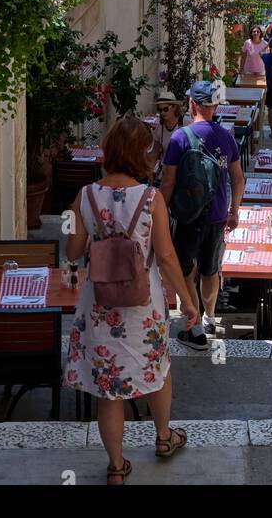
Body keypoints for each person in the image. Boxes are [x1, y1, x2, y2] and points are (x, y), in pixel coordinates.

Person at [64, 116, 200, 484]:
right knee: (157, 370)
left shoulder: (86, 195)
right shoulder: (151, 199)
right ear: (141, 154)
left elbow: (73, 250)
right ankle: (163, 437)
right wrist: (188, 302)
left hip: (100, 304)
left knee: (109, 389)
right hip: (143, 304)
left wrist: (89, 231)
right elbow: (168, 258)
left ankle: (116, 467)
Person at [160, 81, 245, 350]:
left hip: (187, 216)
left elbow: (168, 183)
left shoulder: (180, 138)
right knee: (210, 271)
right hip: (217, 215)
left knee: (185, 269)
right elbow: (238, 179)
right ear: (214, 106)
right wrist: (234, 211)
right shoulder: (226, 136)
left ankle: (194, 328)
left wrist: (159, 213)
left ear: (192, 104)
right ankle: (209, 317)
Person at [149, 91, 186, 181]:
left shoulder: (186, 123)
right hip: (165, 172)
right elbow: (155, 150)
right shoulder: (160, 126)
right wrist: (150, 170)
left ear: (174, 107)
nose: (162, 113)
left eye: (165, 109)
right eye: (160, 110)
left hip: (183, 172)